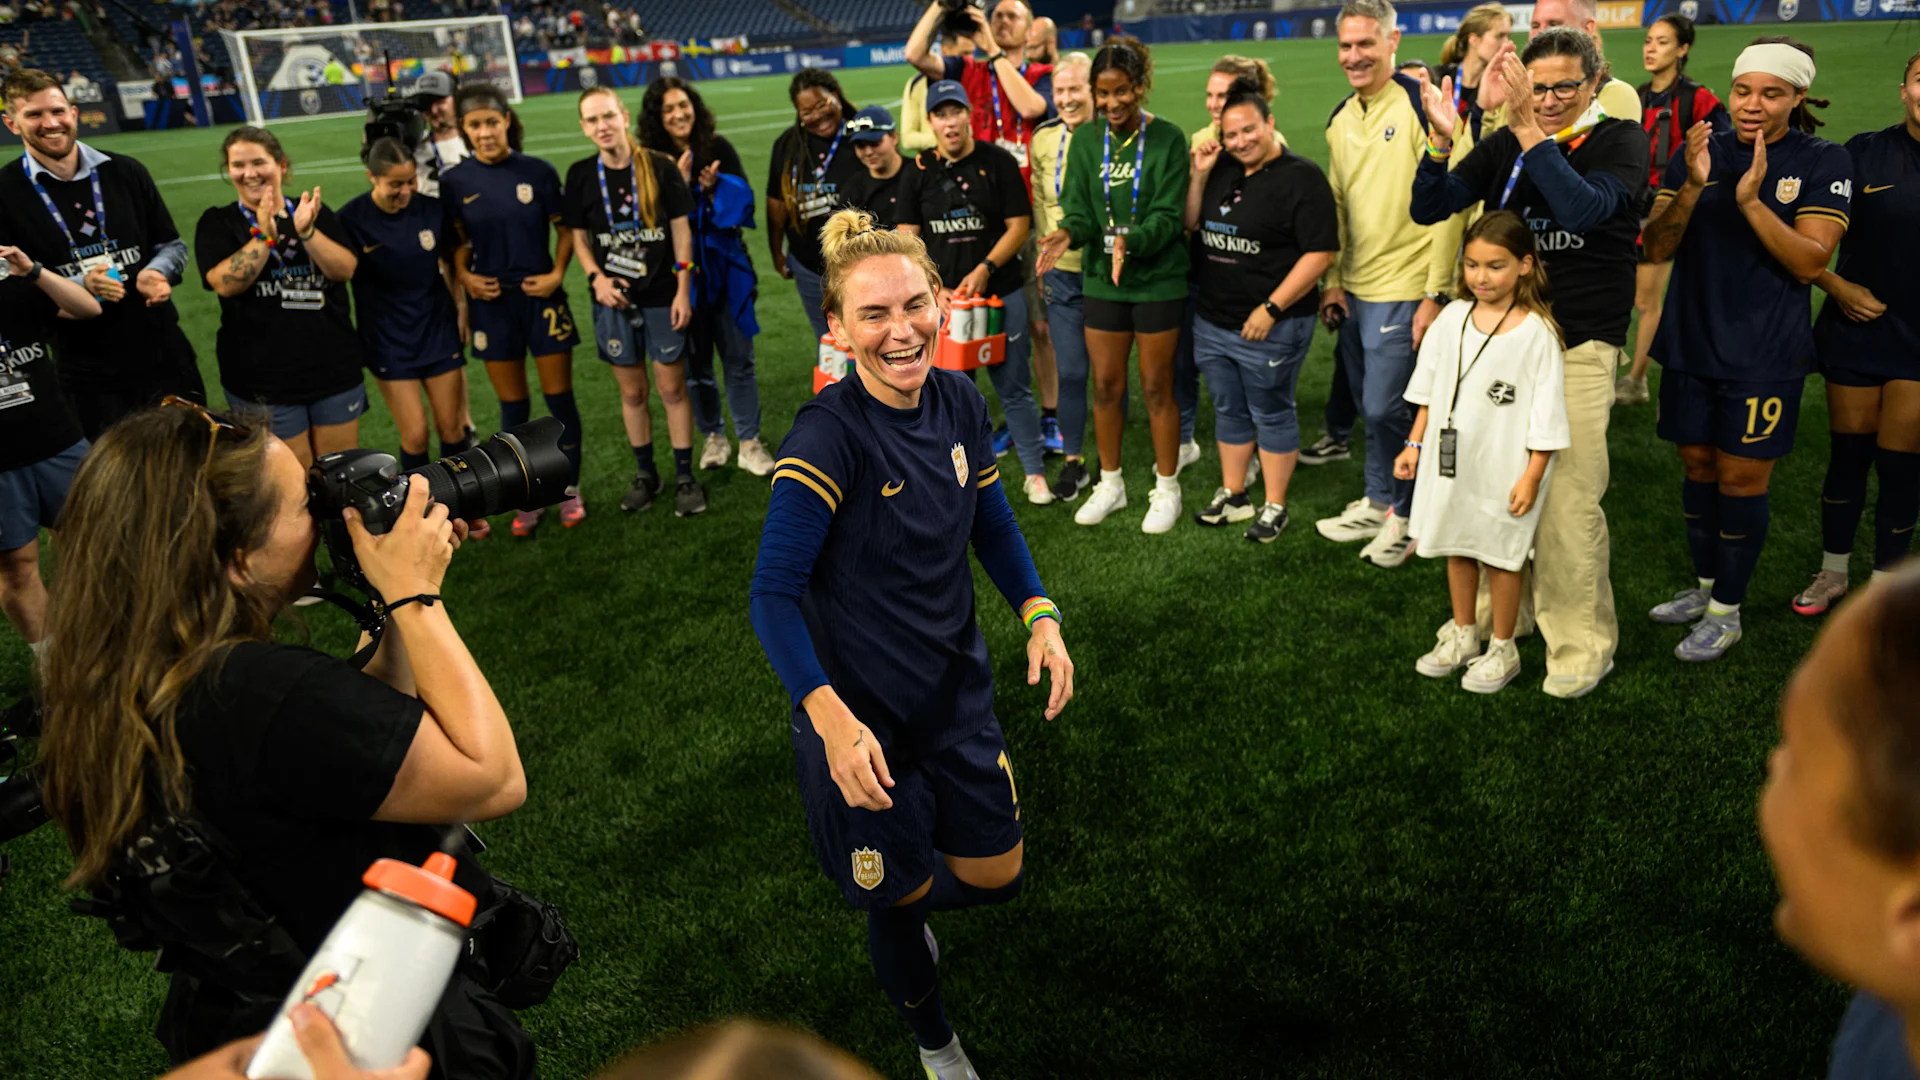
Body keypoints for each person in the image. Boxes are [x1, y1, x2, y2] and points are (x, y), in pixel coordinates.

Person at [39, 400, 534, 1076]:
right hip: (363, 1029)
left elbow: (364, 746)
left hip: (254, 1013)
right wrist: (418, 597)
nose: (328, 512)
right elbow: (490, 778)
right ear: (237, 559)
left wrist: (386, 604)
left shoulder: (129, 676)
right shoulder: (256, 692)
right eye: (306, 502)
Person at [748, 208, 1073, 1080]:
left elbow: (991, 521)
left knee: (998, 875)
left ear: (940, 301)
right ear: (838, 329)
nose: (902, 331)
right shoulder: (827, 436)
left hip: (955, 694)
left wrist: (1037, 611)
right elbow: (771, 594)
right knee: (894, 900)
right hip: (862, 725)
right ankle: (937, 1044)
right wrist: (828, 718)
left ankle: (899, 888)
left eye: (914, 306)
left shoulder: (961, 398)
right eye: (874, 315)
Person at [1411, 27, 1646, 697]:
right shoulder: (1507, 139)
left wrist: (1528, 134)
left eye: (1563, 87)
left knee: (1567, 501)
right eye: (1534, 87)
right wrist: (1437, 139)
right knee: (1489, 486)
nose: (1546, 99)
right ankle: (1487, 623)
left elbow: (1583, 207)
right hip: (1504, 343)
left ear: (1594, 84)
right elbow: (1430, 205)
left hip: (1577, 344)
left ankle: (1580, 644)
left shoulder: (1618, 138)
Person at [1641, 38, 1849, 661]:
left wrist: (1751, 201)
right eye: (1743, 90)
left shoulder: (1822, 159)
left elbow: (1812, 262)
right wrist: (1692, 185)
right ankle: (1705, 589)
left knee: (1739, 478)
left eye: (1771, 92)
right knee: (1697, 469)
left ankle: (1726, 612)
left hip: (1763, 354)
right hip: (1689, 341)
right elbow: (1654, 248)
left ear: (1798, 96)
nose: (1753, 104)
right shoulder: (1700, 149)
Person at [1311, 0, 1464, 568]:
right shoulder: (1341, 117)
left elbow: (1452, 201)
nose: (1353, 56)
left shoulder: (1421, 105)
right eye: (1346, 45)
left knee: (1386, 408)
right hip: (1354, 286)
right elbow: (1337, 206)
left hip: (1407, 285)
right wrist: (1332, 280)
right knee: (1369, 407)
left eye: (1365, 44)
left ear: (1392, 40)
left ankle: (1409, 516)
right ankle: (1379, 501)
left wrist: (1435, 292)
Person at [1394, 213, 1568, 693]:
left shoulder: (1538, 333)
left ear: (1525, 265)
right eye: (1471, 265)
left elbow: (1546, 417)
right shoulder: (1451, 318)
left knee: (1502, 556)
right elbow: (1430, 390)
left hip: (1504, 467)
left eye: (1495, 266)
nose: (1480, 277)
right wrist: (1414, 443)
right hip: (1451, 463)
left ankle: (1503, 647)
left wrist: (1532, 475)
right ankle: (1465, 633)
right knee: (1457, 546)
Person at [1036, 36, 1190, 532]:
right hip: (1103, 278)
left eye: (1121, 91)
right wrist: (1067, 231)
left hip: (1156, 280)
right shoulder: (1085, 140)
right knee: (1105, 385)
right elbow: (1080, 210)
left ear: (1141, 87)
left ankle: (1168, 488)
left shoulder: (1167, 138)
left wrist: (1133, 241)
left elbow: (1170, 216)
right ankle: (1111, 483)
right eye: (1103, 94)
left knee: (1157, 386)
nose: (1111, 103)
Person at [0, 68, 202, 437]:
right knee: (119, 489)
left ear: (73, 113)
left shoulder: (125, 171)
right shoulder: (5, 192)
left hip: (164, 354)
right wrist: (79, 285)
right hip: (88, 374)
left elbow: (170, 245)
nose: (51, 123)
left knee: (193, 468)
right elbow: (11, 286)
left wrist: (157, 272)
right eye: (34, 115)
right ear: (11, 124)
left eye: (58, 111)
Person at [1791, 51, 1920, 617]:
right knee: (1847, 457)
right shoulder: (1862, 153)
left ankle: (1889, 587)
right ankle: (1833, 572)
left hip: (1918, 342)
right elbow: (1808, 242)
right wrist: (1837, 288)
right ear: (1903, 90)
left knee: (1900, 464)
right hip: (1858, 329)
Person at [1183, 77, 1336, 543]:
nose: (1241, 141)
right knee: (1228, 408)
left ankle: (1275, 503)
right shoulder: (1223, 168)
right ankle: (1234, 493)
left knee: (1271, 411)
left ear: (1270, 123)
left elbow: (1320, 252)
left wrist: (1271, 307)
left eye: (1250, 130)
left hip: (1271, 326)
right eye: (1231, 134)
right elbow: (1192, 224)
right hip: (1213, 319)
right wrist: (1201, 175)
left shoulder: (1302, 177)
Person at [895, 80, 1050, 504]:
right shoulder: (919, 169)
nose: (950, 122)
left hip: (1000, 292)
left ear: (969, 116)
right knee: (948, 394)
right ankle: (955, 476)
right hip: (943, 302)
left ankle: (1034, 472)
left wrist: (986, 268)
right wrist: (932, 285)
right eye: (940, 114)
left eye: (956, 112)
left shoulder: (997, 161)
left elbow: (1020, 226)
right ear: (930, 122)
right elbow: (906, 236)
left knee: (1014, 386)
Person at [441, 84, 586, 536]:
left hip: (540, 299)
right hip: (493, 307)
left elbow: (565, 231)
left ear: (507, 120)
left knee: (559, 399)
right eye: (475, 125)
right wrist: (465, 277)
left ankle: (568, 487)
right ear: (465, 131)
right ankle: (527, 493)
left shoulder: (538, 172)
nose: (485, 132)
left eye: (491, 121)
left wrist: (557, 273)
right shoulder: (455, 182)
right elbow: (458, 245)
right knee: (513, 407)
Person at [564, 86, 706, 517]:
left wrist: (683, 288)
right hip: (613, 300)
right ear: (584, 128)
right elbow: (578, 236)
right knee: (633, 394)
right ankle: (647, 474)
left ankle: (684, 475)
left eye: (608, 116)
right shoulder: (580, 175)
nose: (602, 126)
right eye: (592, 120)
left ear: (623, 116)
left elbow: (682, 230)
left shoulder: (659, 167)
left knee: (671, 388)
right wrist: (596, 278)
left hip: (663, 295)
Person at [195, 127, 364, 470]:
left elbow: (344, 269)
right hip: (262, 382)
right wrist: (264, 237)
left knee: (340, 474)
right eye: (238, 165)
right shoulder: (218, 222)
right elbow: (226, 284)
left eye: (259, 162)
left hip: (332, 370)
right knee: (290, 485)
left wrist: (307, 233)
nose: (250, 173)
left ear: (281, 165)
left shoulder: (313, 212)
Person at [637, 76, 771, 478]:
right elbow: (646, 223)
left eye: (684, 105)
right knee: (695, 367)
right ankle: (714, 436)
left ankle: (749, 441)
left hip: (725, 269)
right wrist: (675, 184)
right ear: (656, 118)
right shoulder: (648, 161)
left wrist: (713, 191)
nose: (679, 114)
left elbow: (743, 209)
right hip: (678, 279)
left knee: (738, 359)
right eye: (669, 109)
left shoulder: (718, 148)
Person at [338, 137, 474, 522]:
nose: (406, 191)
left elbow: (453, 257)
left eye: (411, 181)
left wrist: (461, 308)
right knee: (415, 435)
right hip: (387, 339)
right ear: (371, 177)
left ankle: (459, 505)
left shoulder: (431, 210)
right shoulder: (351, 218)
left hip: (437, 327)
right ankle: (419, 512)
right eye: (395, 184)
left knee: (452, 429)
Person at [1179, 53, 1287, 476]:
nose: (1212, 103)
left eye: (1222, 95)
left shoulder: (1272, 148)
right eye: (1209, 94)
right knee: (1192, 365)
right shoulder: (1198, 141)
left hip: (1253, 282)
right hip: (1204, 273)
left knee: (1253, 375)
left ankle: (1260, 449)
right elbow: (1190, 219)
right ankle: (1189, 439)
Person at [1618, 13, 1728, 406]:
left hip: (1665, 212)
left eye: (1662, 42)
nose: (1650, 48)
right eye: (1648, 40)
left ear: (1683, 49)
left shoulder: (1699, 99)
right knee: (1623, 293)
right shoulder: (1636, 95)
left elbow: (1725, 148)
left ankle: (1636, 381)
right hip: (1630, 208)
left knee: (1647, 299)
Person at [0, 240, 99, 673]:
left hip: (57, 440)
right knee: (18, 568)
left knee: (100, 538)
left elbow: (87, 308)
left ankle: (110, 635)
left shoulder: (14, 282)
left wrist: (34, 270)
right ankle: (55, 666)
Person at [1032, 51, 1094, 502]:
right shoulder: (1042, 139)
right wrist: (1043, 263)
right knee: (1072, 371)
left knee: (1112, 377)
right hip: (1063, 275)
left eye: (1076, 89)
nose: (1067, 99)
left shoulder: (1114, 137)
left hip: (1111, 273)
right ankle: (1075, 461)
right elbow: (1039, 202)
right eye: (1060, 91)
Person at [904, 0, 1053, 183]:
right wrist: (941, 4)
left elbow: (1030, 108)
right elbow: (914, 54)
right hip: (980, 183)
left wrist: (993, 50)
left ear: (1029, 33)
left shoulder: (1043, 74)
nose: (1003, 21)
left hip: (1030, 182)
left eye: (1012, 16)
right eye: (998, 16)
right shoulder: (969, 69)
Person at [767, 67, 862, 342]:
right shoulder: (787, 145)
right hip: (810, 269)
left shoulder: (861, 132)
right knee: (831, 342)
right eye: (807, 112)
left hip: (862, 264)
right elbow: (776, 204)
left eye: (822, 104)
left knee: (869, 339)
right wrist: (777, 252)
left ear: (836, 94)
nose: (817, 116)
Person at [1523, 0, 1642, 123]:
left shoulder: (1618, 95)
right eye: (1535, 26)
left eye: (1553, 24)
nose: (1540, 34)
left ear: (1588, 27)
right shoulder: (1516, 94)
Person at [1435, 2, 1515, 146]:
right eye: (1499, 36)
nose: (1506, 44)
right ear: (1474, 39)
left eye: (1508, 36)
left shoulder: (1499, 91)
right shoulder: (1437, 79)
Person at [409, 70, 469, 200]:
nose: (433, 110)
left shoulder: (479, 140)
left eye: (440, 101)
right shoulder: (411, 149)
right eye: (426, 103)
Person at [845, 105, 905, 227]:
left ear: (894, 137)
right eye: (861, 145)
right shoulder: (853, 190)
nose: (868, 152)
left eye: (875, 143)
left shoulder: (920, 173)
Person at [900, 69, 937, 156]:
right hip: (933, 161)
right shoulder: (918, 83)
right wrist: (943, 141)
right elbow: (907, 139)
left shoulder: (973, 77)